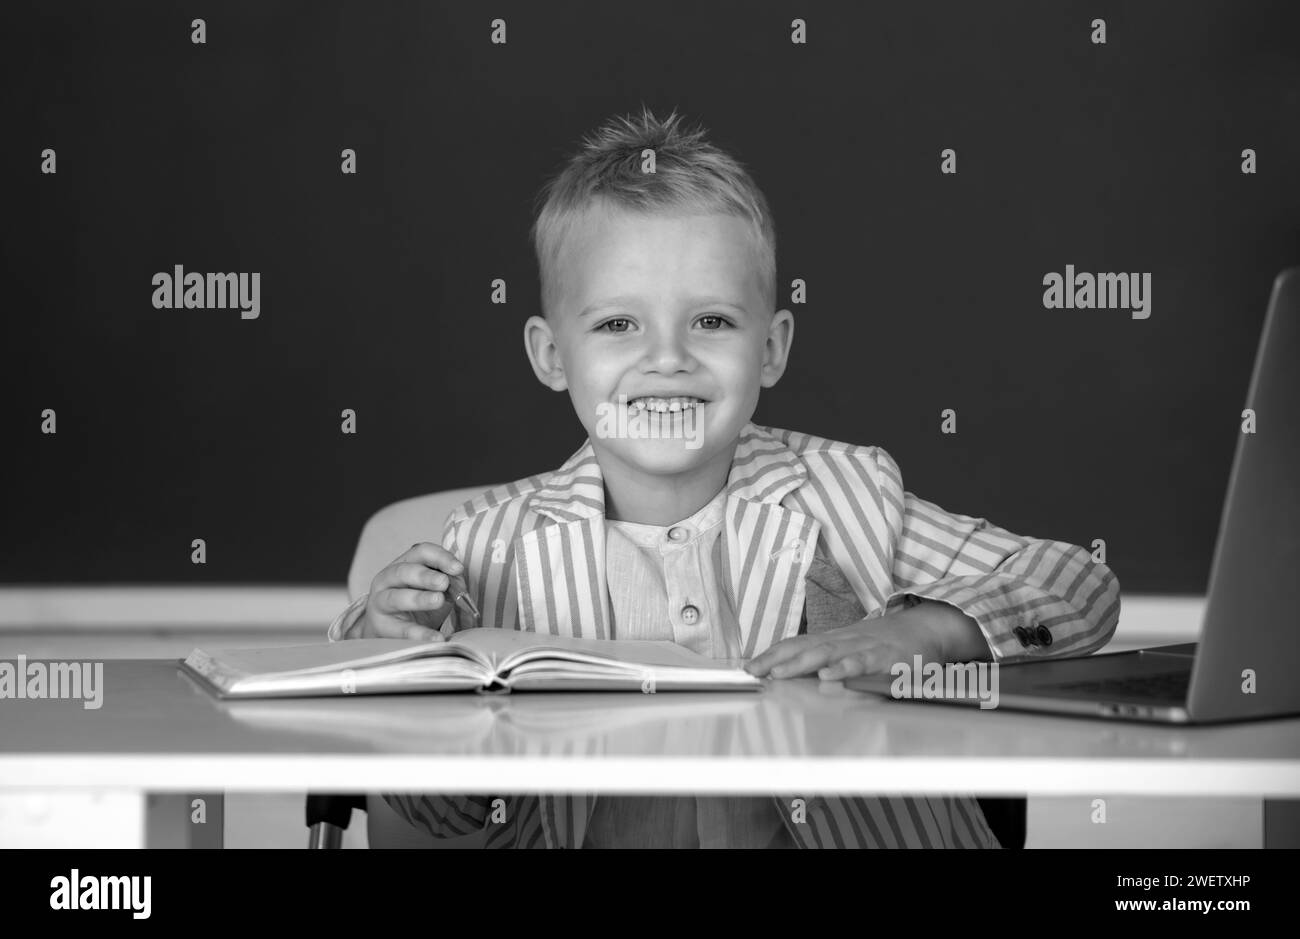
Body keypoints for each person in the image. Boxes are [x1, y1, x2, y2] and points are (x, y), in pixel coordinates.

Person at [326, 106, 1120, 848]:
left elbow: (1079, 584)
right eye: (616, 324)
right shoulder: (488, 548)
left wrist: (928, 633)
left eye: (711, 320)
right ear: (549, 354)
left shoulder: (854, 496)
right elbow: (444, 819)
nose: (667, 357)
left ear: (770, 347)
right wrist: (391, 667)